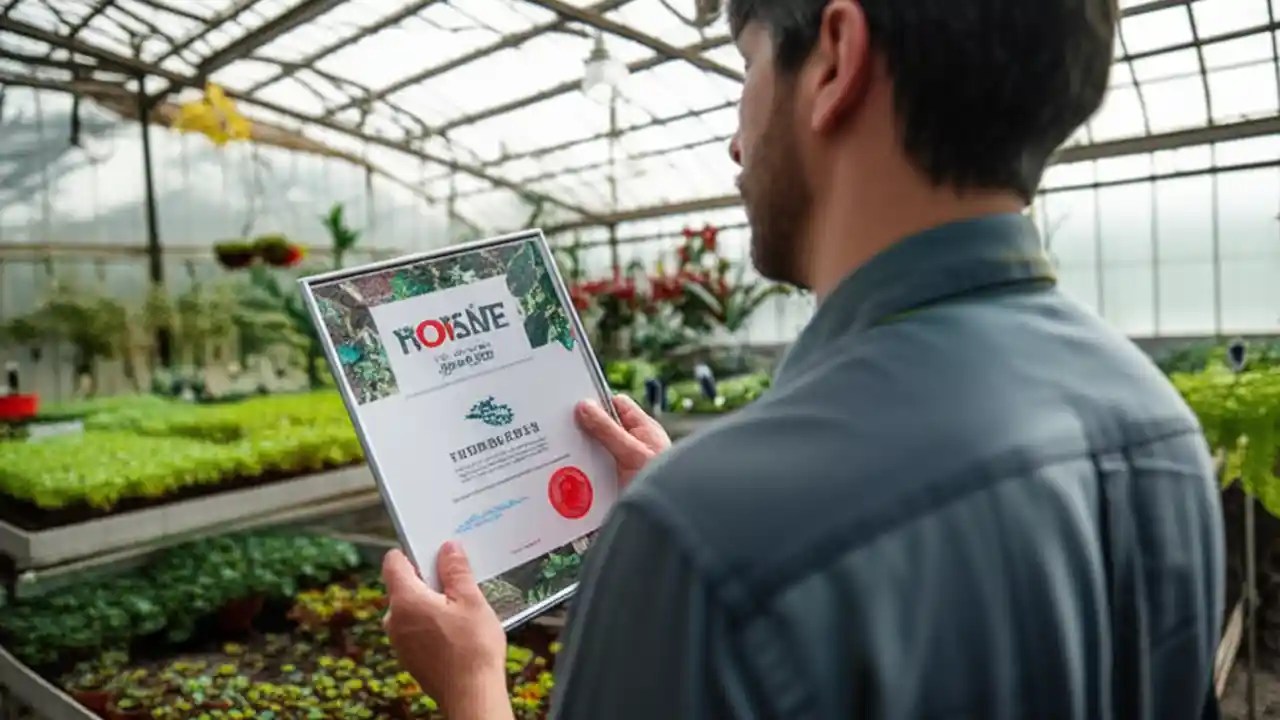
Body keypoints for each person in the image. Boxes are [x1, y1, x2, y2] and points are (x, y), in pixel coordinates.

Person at [380, 0, 1226, 717]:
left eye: (748, 66)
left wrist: (475, 686)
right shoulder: (1160, 433)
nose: (737, 146)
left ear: (835, 62)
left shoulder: (699, 540)